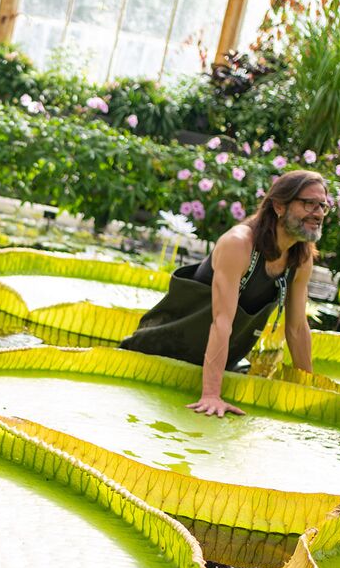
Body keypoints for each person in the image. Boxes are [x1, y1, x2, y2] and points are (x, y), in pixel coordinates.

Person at [120, 170, 327, 416]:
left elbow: (297, 328)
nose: (318, 213)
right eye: (309, 204)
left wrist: (308, 394)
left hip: (220, 366)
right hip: (156, 355)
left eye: (323, 206)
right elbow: (221, 322)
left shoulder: (300, 258)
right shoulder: (238, 243)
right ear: (279, 206)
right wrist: (211, 395)